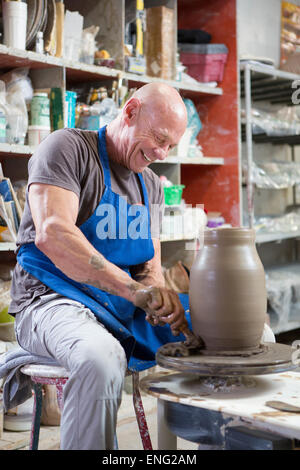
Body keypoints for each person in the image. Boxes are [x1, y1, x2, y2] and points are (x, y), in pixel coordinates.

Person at [8, 82, 193, 450]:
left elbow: (149, 269)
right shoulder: (68, 149)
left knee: (237, 340)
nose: (161, 152)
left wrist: (158, 297)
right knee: (100, 357)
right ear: (130, 111)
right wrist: (135, 292)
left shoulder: (151, 186)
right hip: (50, 300)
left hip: (119, 307)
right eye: (158, 138)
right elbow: (53, 234)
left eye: (170, 145)